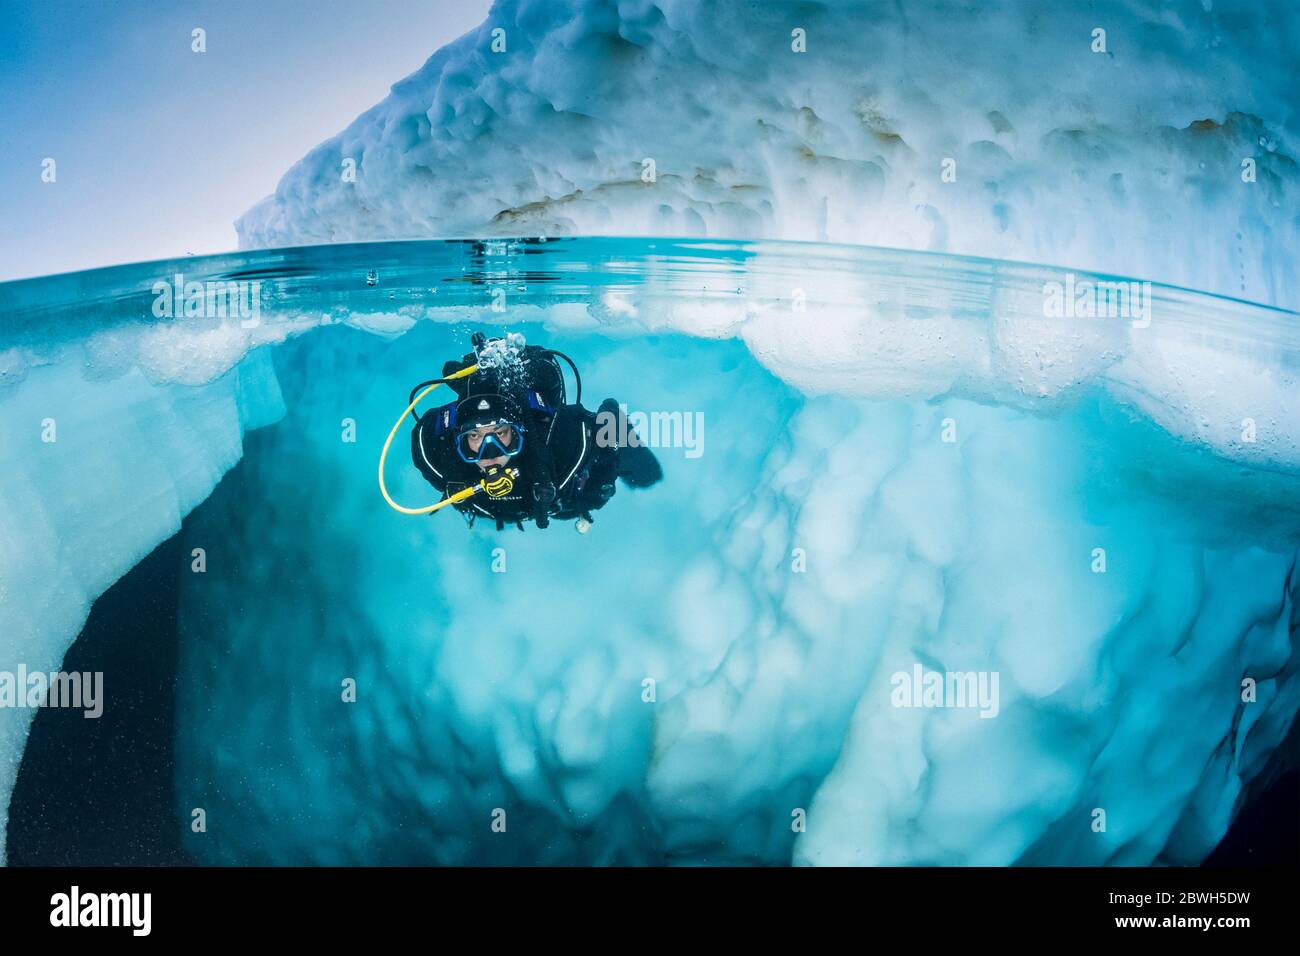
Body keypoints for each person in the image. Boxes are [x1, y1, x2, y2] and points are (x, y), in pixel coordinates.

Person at [410, 334, 662, 531]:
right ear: (460, 442)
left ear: (518, 433)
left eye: (500, 432)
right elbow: (424, 439)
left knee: (643, 475)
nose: (490, 452)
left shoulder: (564, 445)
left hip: (562, 496)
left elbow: (607, 422)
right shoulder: (439, 459)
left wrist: (607, 468)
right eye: (474, 437)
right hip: (528, 507)